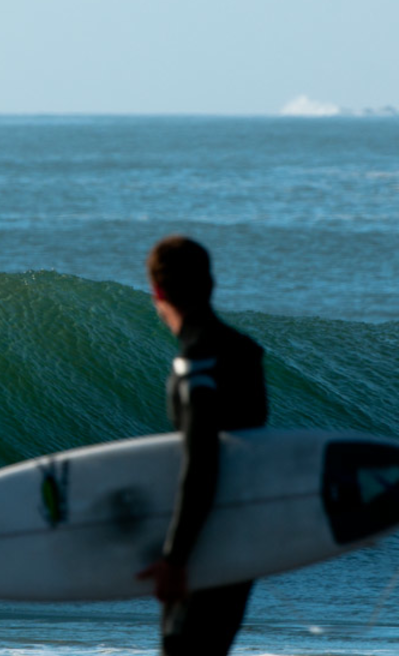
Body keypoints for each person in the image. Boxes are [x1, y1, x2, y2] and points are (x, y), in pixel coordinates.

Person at [135, 235, 269, 656]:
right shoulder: (245, 352)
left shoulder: (196, 364)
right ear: (210, 283)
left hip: (205, 543)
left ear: (158, 292)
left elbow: (202, 459)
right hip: (246, 539)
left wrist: (176, 559)